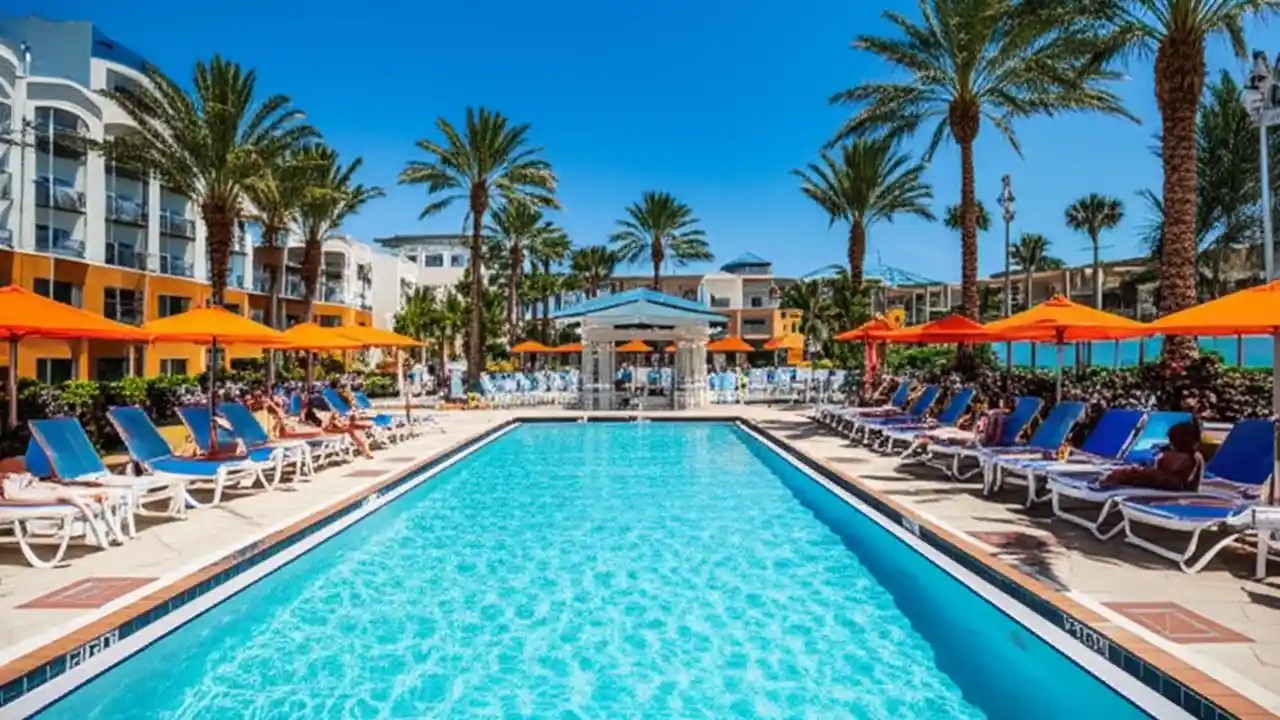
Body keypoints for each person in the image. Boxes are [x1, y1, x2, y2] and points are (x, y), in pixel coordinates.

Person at [1098, 419, 1203, 492]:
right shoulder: (1192, 456)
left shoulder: (1189, 458)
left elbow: (1174, 481)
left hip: (1174, 487)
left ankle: (1109, 479)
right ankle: (1111, 478)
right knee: (1134, 472)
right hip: (1171, 484)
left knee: (1132, 474)